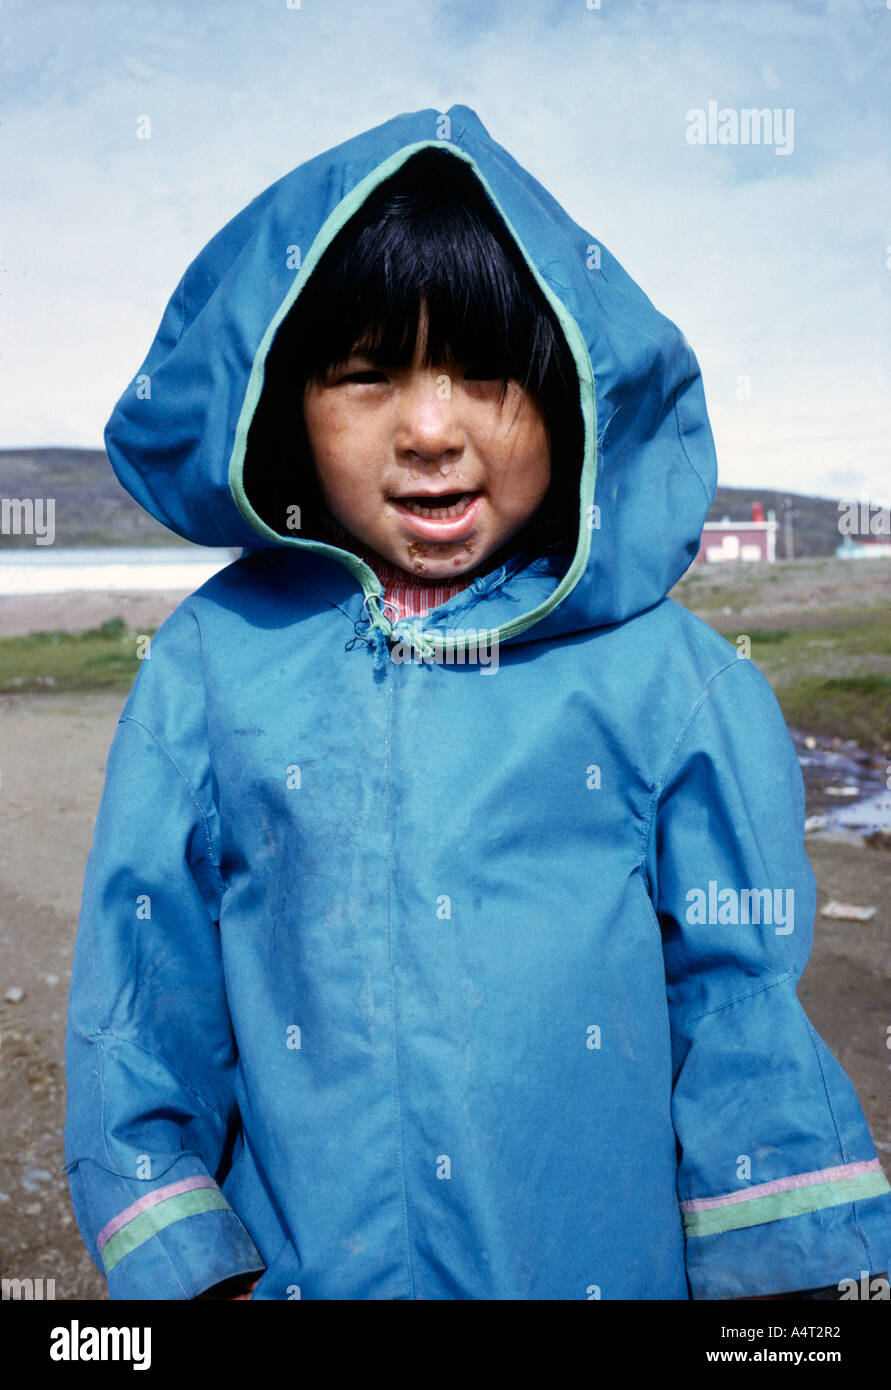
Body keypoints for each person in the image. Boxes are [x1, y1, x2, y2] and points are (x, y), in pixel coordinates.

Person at [64, 105, 890, 1301]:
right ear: (288, 408)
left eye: (488, 373)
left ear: (570, 398)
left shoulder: (672, 682)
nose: (433, 430)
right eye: (365, 375)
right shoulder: (213, 664)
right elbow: (144, 981)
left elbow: (739, 1008)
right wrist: (186, 1258)